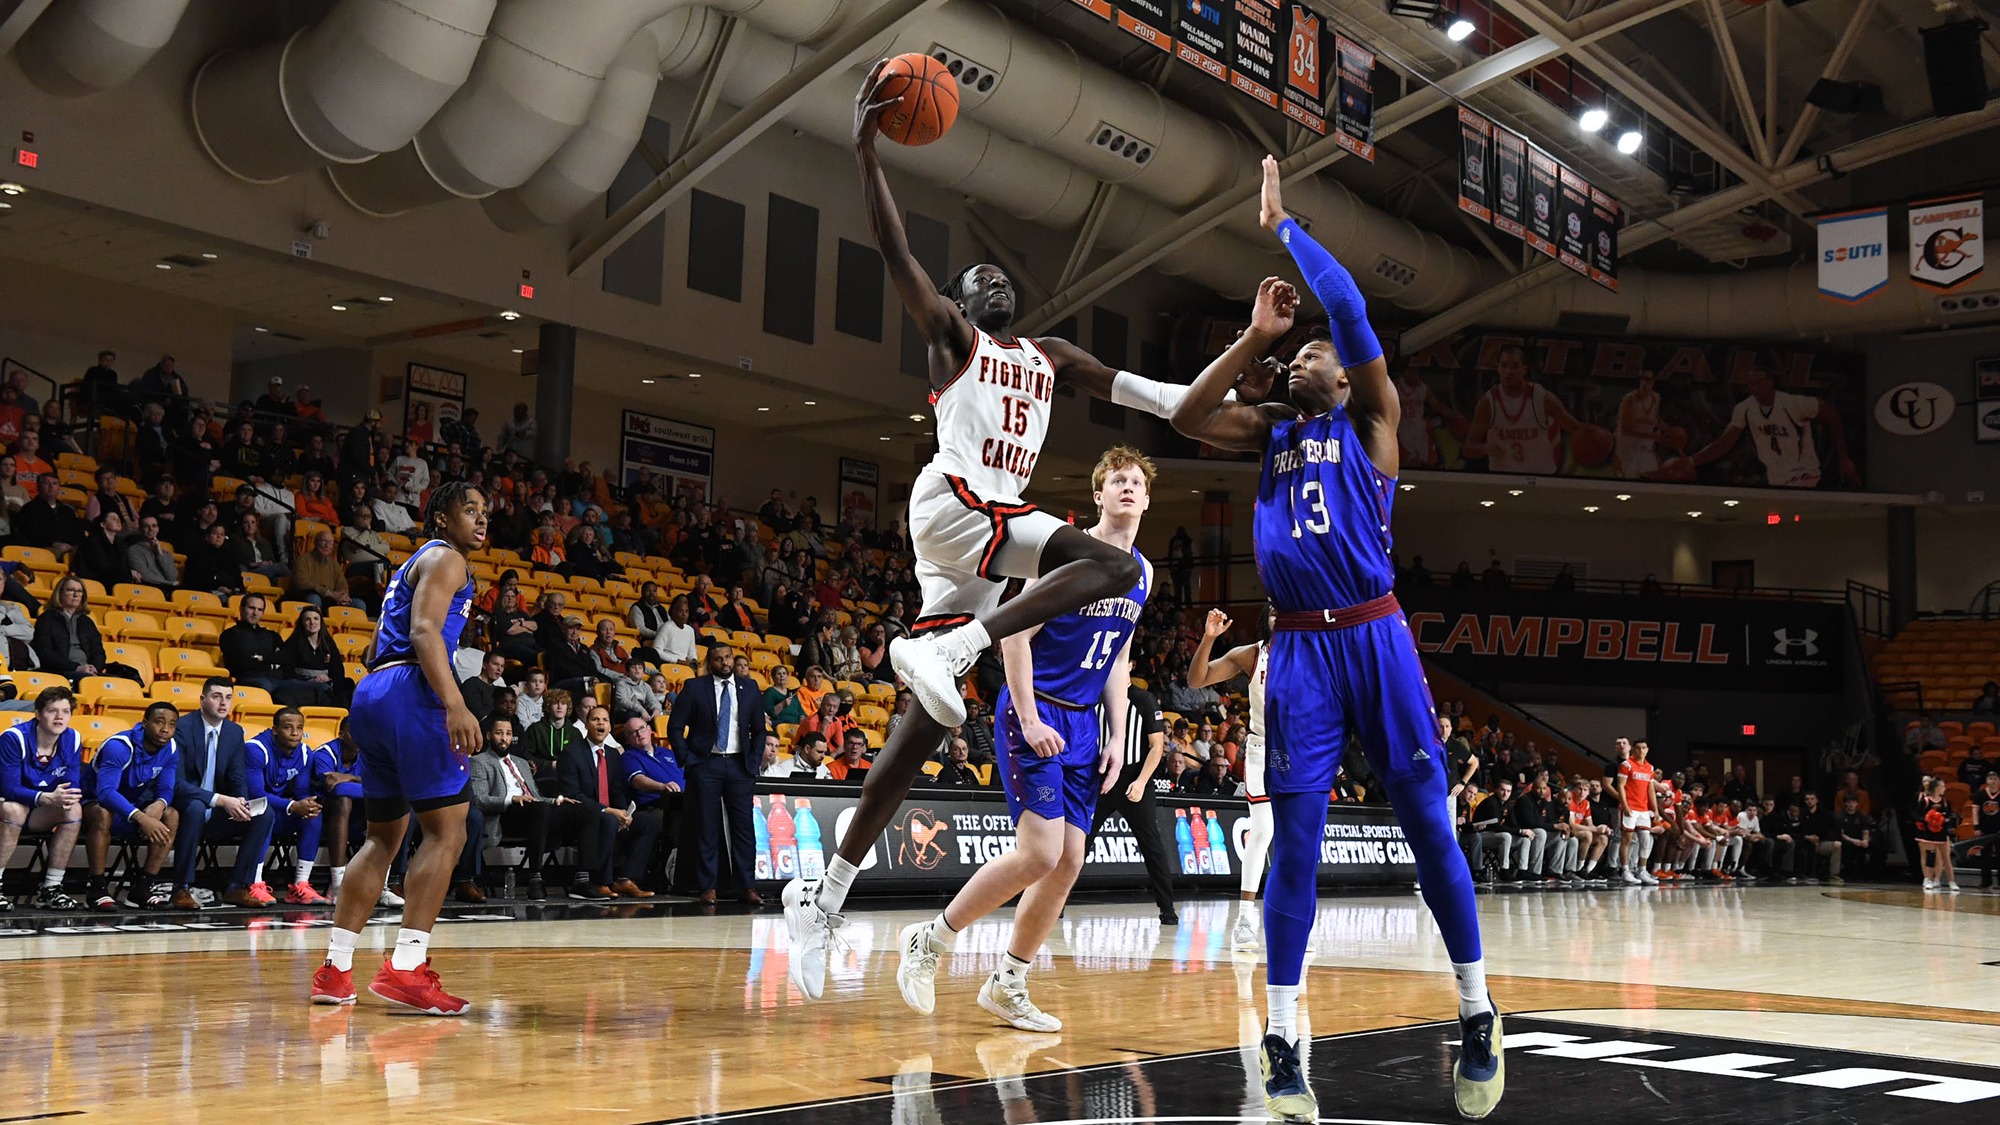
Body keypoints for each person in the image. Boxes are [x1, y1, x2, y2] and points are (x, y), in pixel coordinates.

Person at [779, 62, 1206, 1002]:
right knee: (1104, 560)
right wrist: (865, 151)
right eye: (976, 279)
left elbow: (1153, 396)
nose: (991, 281)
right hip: (954, 503)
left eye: (997, 274)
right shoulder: (956, 341)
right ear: (963, 310)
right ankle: (965, 643)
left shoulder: (1049, 356)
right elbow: (896, 254)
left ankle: (825, 892)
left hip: (985, 542)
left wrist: (1225, 384)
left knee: (927, 720)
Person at [1164, 156, 1499, 1122]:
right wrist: (1252, 337)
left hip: (1375, 633)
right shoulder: (1269, 430)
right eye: (1297, 350)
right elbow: (1189, 415)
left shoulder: (1376, 421)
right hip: (1299, 650)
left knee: (1429, 819)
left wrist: (1283, 226)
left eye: (1314, 350)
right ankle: (1280, 1034)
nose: (1305, 352)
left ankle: (1477, 1009)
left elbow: (1348, 301)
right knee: (1296, 847)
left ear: (1345, 376)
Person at [892, 445, 1153, 1034]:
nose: (1128, 488)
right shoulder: (1065, 555)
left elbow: (1119, 656)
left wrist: (1116, 729)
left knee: (1067, 862)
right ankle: (929, 940)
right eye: (1117, 480)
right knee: (1039, 852)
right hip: (1036, 711)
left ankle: (1009, 982)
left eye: (1137, 481)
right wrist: (1031, 719)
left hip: (1086, 722)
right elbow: (1014, 637)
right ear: (1098, 494)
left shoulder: (1144, 571)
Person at [312, 481, 488, 1015]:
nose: (481, 520)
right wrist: (454, 703)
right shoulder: (448, 560)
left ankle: (335, 970)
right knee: (447, 830)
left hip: (374, 693)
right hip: (413, 692)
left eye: (485, 512)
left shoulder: (409, 566)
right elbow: (426, 630)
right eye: (469, 510)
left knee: (383, 836)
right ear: (440, 519)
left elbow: (372, 645)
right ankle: (407, 967)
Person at [1185, 605, 1271, 949]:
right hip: (1263, 750)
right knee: (1263, 830)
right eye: (1274, 612)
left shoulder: (1313, 651)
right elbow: (1196, 679)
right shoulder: (1251, 655)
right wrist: (1208, 639)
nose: (1281, 617)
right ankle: (1245, 919)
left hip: (1302, 753)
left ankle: (1295, 920)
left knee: (1298, 838)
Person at [665, 643, 767, 904]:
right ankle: (707, 886)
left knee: (744, 828)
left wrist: (753, 762)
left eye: (728, 658)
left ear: (733, 660)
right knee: (706, 827)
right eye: (718, 659)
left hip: (739, 766)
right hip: (705, 763)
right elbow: (675, 727)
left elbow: (759, 730)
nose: (724, 663)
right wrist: (687, 759)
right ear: (710, 663)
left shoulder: (750, 688)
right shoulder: (694, 687)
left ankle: (747, 886)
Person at [171, 677, 278, 910]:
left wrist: (240, 801)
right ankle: (181, 888)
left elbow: (237, 776)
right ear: (202, 700)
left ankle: (238, 886)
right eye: (217, 696)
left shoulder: (234, 731)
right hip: (186, 806)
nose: (223, 703)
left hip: (220, 807)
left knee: (264, 813)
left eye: (228, 697)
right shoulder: (183, 727)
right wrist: (220, 800)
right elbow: (177, 783)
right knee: (196, 807)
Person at [1671, 364, 1860, 488]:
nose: (1754, 389)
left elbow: (1832, 415)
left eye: (1759, 383)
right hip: (1776, 478)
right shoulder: (1744, 408)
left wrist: (1843, 458)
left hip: (1805, 474)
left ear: (1771, 382)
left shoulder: (1794, 404)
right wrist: (1692, 461)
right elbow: (1725, 442)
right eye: (1750, 384)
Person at [82, 701, 183, 910]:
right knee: (103, 812)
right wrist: (141, 817)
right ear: (144, 723)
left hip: (130, 806)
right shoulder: (119, 746)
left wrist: (159, 805)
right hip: (90, 804)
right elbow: (105, 793)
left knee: (171, 815)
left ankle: (142, 889)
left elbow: (166, 788)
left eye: (172, 725)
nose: (165, 730)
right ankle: (97, 889)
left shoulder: (171, 748)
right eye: (159, 722)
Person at [0, 686, 89, 910]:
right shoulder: (14, 738)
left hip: (38, 809)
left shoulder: (72, 738)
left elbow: (72, 782)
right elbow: (9, 788)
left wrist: (64, 797)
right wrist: (46, 797)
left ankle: (50, 889)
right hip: (8, 805)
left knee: (73, 807)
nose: (60, 717)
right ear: (38, 714)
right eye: (52, 711)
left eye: (66, 711)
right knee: (14, 809)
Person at [467, 714, 563, 900]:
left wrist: (556, 801)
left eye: (508, 734)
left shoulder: (521, 762)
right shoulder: (479, 761)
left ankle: (585, 879)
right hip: (505, 815)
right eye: (499, 733)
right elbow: (479, 800)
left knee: (574, 810)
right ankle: (535, 877)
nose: (504, 738)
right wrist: (511, 799)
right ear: (488, 736)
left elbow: (535, 797)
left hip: (532, 812)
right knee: (540, 810)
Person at [245, 707, 330, 904]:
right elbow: (256, 795)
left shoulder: (304, 752)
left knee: (313, 814)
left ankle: (301, 885)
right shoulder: (256, 749)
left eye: (299, 728)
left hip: (280, 809)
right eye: (288, 727)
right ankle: (254, 884)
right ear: (275, 730)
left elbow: (301, 791)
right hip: (248, 811)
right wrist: (292, 805)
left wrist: (308, 803)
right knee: (265, 813)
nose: (295, 733)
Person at [1460, 343, 1583, 476]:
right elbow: (1468, 448)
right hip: (1502, 477)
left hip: (1541, 476)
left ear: (1524, 369)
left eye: (1514, 366)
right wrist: (1483, 449)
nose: (1508, 371)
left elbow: (1575, 429)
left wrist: (1594, 439)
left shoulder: (1543, 398)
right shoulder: (1488, 402)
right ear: (1498, 368)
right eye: (1504, 365)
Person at [615, 716, 682, 894]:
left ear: (650, 730)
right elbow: (637, 780)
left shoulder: (667, 753)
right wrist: (662, 787)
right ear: (628, 739)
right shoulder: (629, 756)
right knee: (668, 821)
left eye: (642, 728)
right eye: (633, 732)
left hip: (683, 802)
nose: (639, 733)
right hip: (653, 804)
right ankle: (669, 876)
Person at [1613, 738, 1661, 885]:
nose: (1641, 750)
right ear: (1633, 749)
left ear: (1647, 750)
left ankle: (1642, 870)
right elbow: (1620, 786)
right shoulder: (1626, 764)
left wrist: (1655, 809)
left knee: (1646, 839)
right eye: (1638, 748)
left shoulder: (1650, 768)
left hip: (1644, 809)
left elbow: (1650, 789)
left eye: (1644, 748)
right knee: (1626, 839)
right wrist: (1625, 805)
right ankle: (1626, 871)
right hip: (1630, 807)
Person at [1614, 370, 1667, 479]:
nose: (1643, 382)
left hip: (1645, 447)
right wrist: (1654, 436)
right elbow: (1626, 430)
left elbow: (1654, 417)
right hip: (1627, 448)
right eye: (1641, 379)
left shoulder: (1656, 397)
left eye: (1647, 379)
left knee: (1651, 477)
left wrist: (1668, 430)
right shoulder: (1630, 399)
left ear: (1653, 382)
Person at [1963, 770, 2000, 889]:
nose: (1993, 781)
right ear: (1986, 781)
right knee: (1985, 857)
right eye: (1990, 779)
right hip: (1984, 830)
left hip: (1998, 830)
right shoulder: (1980, 794)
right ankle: (1986, 882)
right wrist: (1976, 827)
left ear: (1999, 780)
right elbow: (1975, 811)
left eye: (1995, 779)